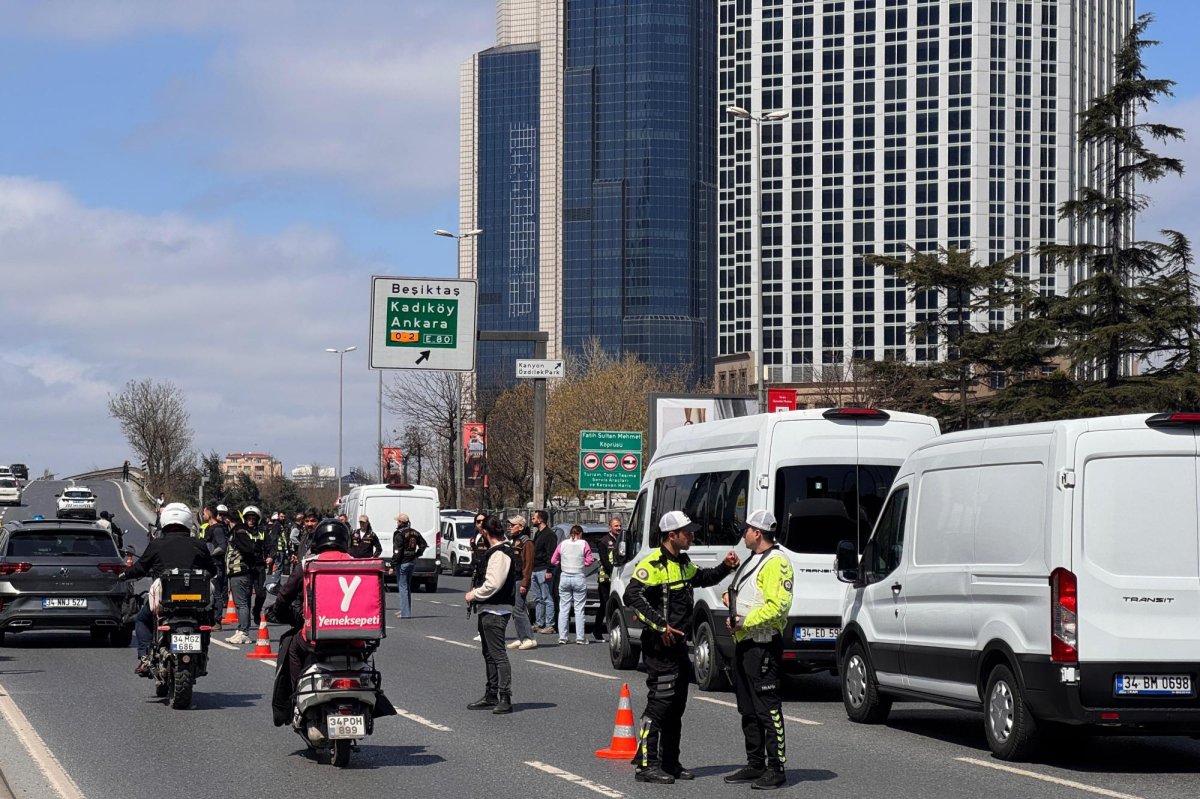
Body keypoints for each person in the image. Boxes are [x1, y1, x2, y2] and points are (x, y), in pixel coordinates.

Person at [623, 510, 739, 784]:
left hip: (679, 647)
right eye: (687, 532)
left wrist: (726, 566)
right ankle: (646, 765)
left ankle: (670, 762)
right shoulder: (652, 564)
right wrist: (660, 626)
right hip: (659, 647)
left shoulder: (683, 562)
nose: (692, 536)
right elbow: (631, 595)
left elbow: (704, 577)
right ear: (672, 535)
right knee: (659, 705)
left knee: (676, 707)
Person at [266, 518, 397, 727]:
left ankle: (297, 699)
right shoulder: (358, 563)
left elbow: (285, 595)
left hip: (316, 638)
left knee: (292, 649)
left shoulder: (308, 564)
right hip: (356, 638)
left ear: (318, 540)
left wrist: (278, 611)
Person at [723, 510, 793, 790]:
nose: (743, 534)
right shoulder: (754, 559)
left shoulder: (777, 562)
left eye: (747, 530)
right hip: (744, 643)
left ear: (758, 533)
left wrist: (743, 621)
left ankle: (776, 768)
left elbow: (778, 607)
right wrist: (731, 603)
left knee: (768, 709)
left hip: (762, 645)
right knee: (748, 709)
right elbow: (748, 594)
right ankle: (755, 764)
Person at [119, 503, 216, 675]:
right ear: (188, 522)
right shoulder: (199, 544)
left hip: (165, 601)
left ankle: (144, 658)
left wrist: (125, 574)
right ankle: (203, 652)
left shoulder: (157, 544)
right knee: (207, 618)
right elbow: (212, 570)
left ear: (164, 521)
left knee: (142, 619)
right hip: (197, 602)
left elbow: (140, 568)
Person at [465, 516, 516, 714]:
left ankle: (505, 697)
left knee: (498, 654)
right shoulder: (497, 550)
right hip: (489, 608)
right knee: (489, 654)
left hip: (497, 609)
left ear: (485, 532)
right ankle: (491, 694)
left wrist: (474, 594)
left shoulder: (500, 553)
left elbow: (494, 583)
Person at [225, 507, 265, 644]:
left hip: (240, 571)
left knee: (241, 603)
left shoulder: (239, 532)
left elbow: (249, 549)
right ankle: (241, 629)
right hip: (241, 572)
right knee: (243, 602)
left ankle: (243, 631)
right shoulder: (241, 531)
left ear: (228, 520)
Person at [551, 524, 594, 645]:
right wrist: (581, 563)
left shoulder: (563, 544)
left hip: (565, 576)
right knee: (579, 609)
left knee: (564, 608)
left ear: (570, 534)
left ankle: (563, 637)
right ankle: (580, 638)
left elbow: (553, 560)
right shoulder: (584, 544)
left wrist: (563, 562)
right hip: (578, 576)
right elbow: (590, 560)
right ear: (580, 534)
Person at [505, 515, 537, 651]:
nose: (510, 527)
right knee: (516, 609)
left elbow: (528, 565)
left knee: (518, 609)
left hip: (521, 579)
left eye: (513, 525)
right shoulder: (514, 541)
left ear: (521, 527)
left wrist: (525, 582)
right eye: (510, 525)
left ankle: (528, 638)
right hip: (514, 578)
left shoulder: (527, 542)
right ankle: (522, 636)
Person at [391, 513, 427, 619]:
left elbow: (397, 551)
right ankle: (405, 609)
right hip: (412, 562)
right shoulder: (415, 532)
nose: (397, 523)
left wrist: (392, 565)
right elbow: (423, 545)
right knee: (407, 586)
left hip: (402, 562)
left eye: (398, 521)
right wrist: (417, 554)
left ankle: (405, 613)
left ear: (401, 522)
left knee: (403, 587)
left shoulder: (399, 534)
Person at [200, 505, 229, 630]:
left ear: (209, 513)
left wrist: (210, 554)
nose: (203, 515)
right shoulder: (209, 528)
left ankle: (217, 621)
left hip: (216, 565)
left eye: (204, 513)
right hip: (209, 565)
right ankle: (210, 619)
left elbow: (222, 547)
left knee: (216, 593)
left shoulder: (217, 529)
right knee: (209, 593)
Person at [592, 517, 622, 640]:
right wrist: (612, 572)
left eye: (620, 526)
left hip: (619, 578)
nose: (619, 528)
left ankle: (616, 630)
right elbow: (604, 560)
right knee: (605, 604)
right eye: (616, 526)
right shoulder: (603, 541)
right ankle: (597, 630)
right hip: (605, 578)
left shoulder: (622, 540)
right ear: (610, 528)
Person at [529, 510, 557, 633]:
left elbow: (552, 554)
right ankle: (539, 623)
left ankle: (549, 625)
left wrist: (549, 570)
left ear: (540, 520)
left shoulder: (549, 535)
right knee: (538, 598)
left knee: (547, 598)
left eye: (534, 518)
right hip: (535, 569)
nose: (532, 520)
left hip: (544, 569)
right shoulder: (538, 534)